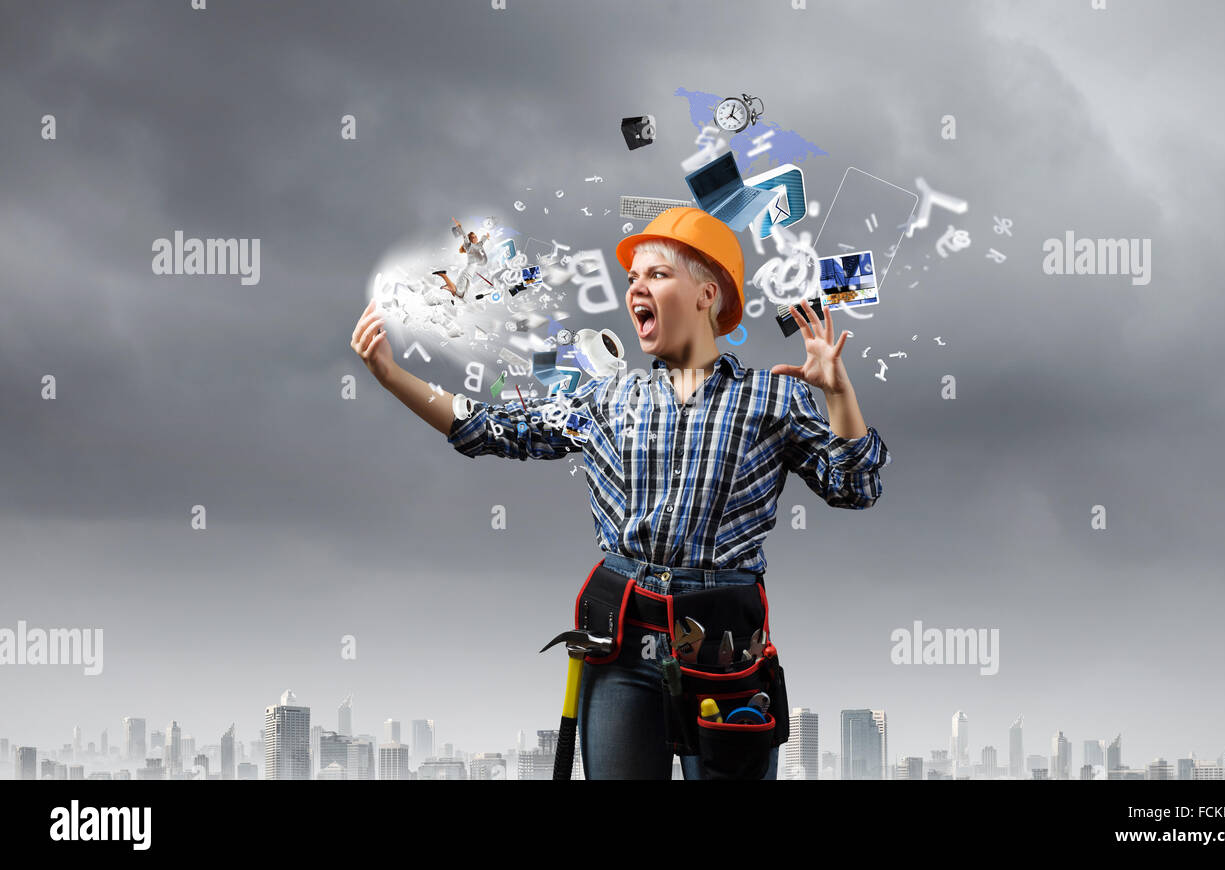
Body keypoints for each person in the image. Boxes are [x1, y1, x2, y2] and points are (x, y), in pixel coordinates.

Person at [350, 206, 890, 779]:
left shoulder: (772, 399)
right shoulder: (607, 400)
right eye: (632, 278)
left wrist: (838, 394)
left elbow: (856, 488)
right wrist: (390, 376)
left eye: (656, 274)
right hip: (621, 645)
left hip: (727, 649)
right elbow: (491, 428)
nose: (636, 286)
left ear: (707, 293)